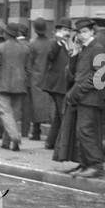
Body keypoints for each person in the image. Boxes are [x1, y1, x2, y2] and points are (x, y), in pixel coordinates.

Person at [66, 17, 105, 178]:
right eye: (79, 32)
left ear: (92, 31)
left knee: (86, 131)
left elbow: (98, 74)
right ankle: (85, 163)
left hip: (91, 98)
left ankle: (95, 165)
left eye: (85, 32)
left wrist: (78, 91)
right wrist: (74, 54)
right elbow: (72, 74)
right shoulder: (84, 49)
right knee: (81, 132)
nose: (82, 35)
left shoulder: (97, 48)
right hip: (84, 97)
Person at [0, 23, 30, 151]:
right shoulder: (25, 49)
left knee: (5, 113)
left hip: (3, 84)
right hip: (20, 85)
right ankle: (6, 142)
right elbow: (28, 69)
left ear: (6, 34)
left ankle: (14, 137)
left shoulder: (0, 48)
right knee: (14, 115)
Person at [41, 18, 73, 151]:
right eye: (64, 30)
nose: (67, 33)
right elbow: (50, 56)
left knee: (58, 116)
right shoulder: (55, 43)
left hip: (61, 84)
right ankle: (61, 144)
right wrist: (58, 41)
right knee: (62, 114)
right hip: (57, 85)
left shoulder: (65, 44)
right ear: (58, 31)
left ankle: (50, 142)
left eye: (68, 30)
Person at [27, 17, 57, 141]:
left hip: (36, 77)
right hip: (48, 77)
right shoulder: (51, 43)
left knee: (36, 106)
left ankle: (36, 131)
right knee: (49, 105)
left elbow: (29, 63)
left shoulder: (33, 44)